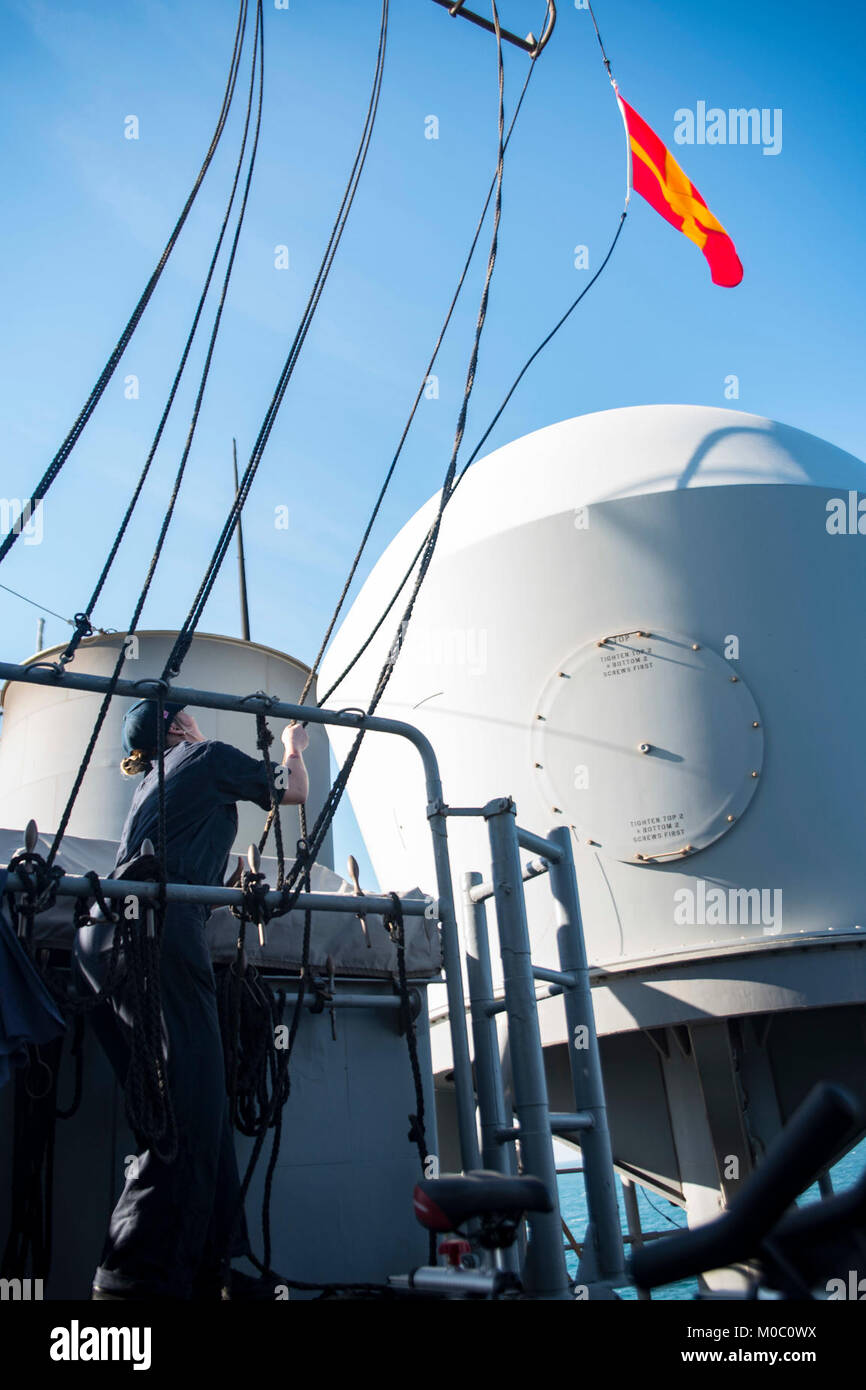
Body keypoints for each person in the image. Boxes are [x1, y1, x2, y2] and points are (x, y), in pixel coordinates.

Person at [74, 698, 309, 1300]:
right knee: (189, 1118)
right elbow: (297, 792)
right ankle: (125, 1282)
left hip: (100, 941)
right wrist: (293, 747)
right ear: (178, 727)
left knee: (190, 1104)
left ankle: (214, 1267)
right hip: (159, 935)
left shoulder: (150, 783)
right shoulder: (203, 757)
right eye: (190, 714)